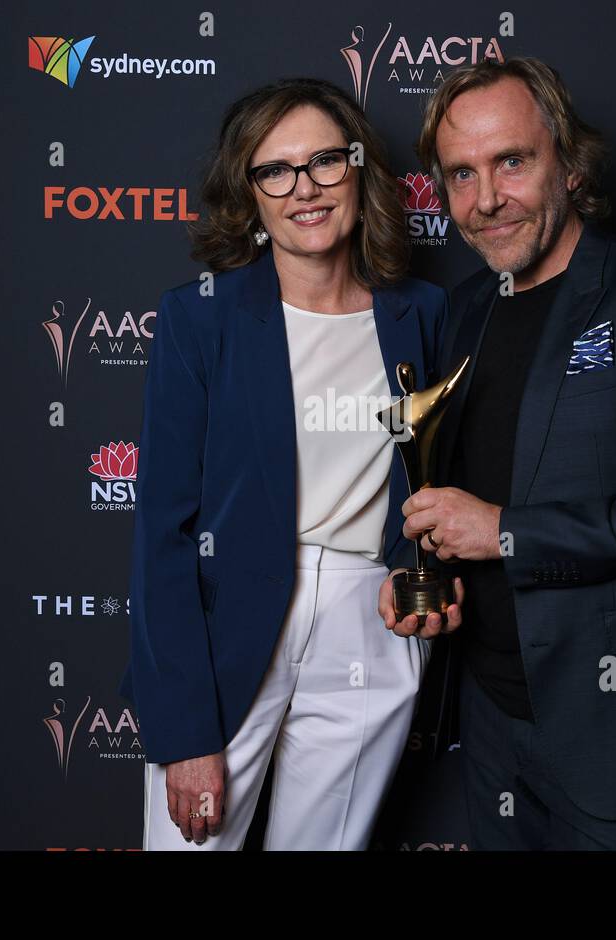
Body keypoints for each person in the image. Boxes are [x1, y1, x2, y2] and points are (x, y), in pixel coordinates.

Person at [378, 57, 616, 849]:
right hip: (491, 724)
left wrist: (505, 531)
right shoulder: (467, 309)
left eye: (513, 161)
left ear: (570, 161)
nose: (487, 199)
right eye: (461, 174)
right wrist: (423, 569)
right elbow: (457, 476)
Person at [118, 77, 462, 850]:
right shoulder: (200, 316)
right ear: (250, 191)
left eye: (325, 162)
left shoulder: (422, 315)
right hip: (228, 624)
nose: (304, 189)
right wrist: (183, 732)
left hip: (369, 621)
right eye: (276, 170)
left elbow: (434, 479)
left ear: (360, 169)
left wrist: (424, 597)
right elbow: (164, 534)